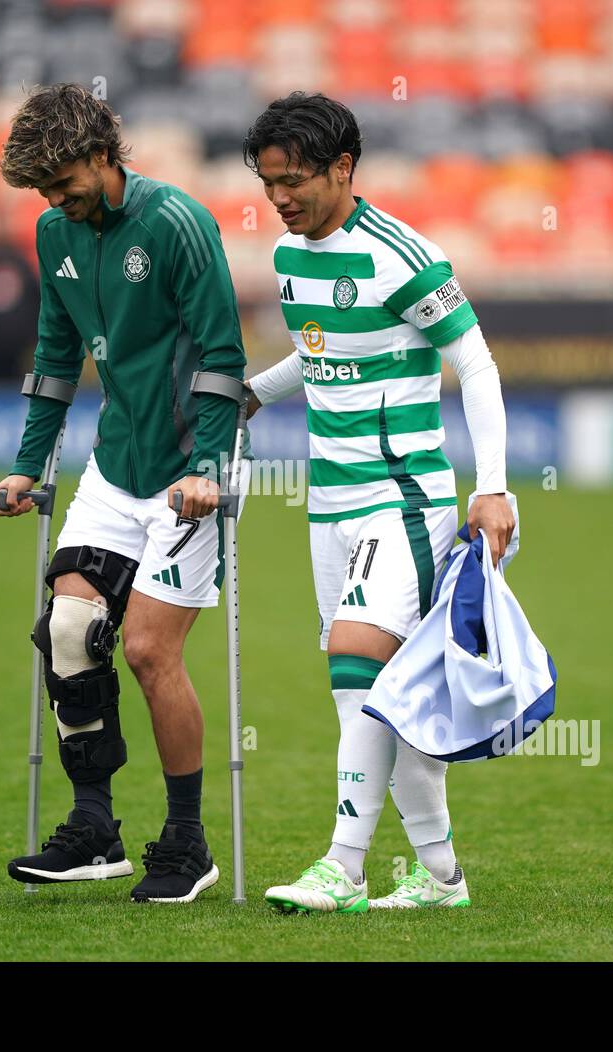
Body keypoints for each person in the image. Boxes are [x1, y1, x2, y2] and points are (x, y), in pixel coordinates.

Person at [242, 92, 515, 913]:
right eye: (268, 185)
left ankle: (344, 866)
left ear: (343, 168)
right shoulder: (291, 258)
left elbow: (476, 363)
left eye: (294, 181)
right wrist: (253, 395)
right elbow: (319, 355)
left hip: (403, 500)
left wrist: (493, 486)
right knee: (374, 697)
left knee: (357, 658)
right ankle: (439, 878)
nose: (281, 199)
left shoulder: (403, 256)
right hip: (329, 506)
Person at [0, 84, 246, 904]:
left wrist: (207, 464)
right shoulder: (53, 232)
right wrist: (30, 465)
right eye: (42, 190)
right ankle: (94, 828)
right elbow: (55, 352)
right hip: (113, 466)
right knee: (68, 627)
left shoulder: (177, 223)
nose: (53, 199)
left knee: (145, 651)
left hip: (187, 473)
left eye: (63, 181)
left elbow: (220, 353)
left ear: (104, 155)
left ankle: (187, 842)